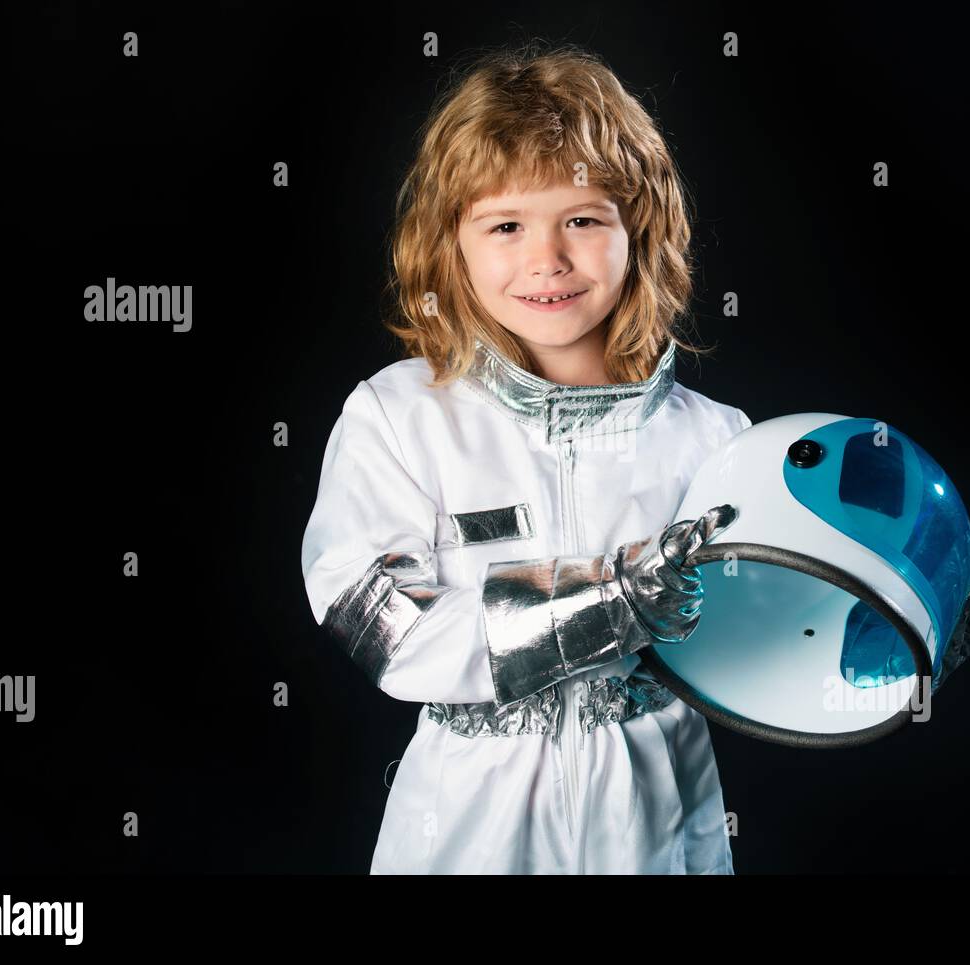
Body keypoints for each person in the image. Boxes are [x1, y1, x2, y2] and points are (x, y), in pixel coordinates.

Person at [300, 43, 751, 874]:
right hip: (471, 837)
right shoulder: (399, 418)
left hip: (657, 832)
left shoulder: (718, 438)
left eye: (583, 218)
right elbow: (388, 630)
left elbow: (760, 639)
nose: (547, 259)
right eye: (506, 225)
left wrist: (894, 629)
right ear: (452, 244)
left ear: (638, 227)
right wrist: (611, 598)